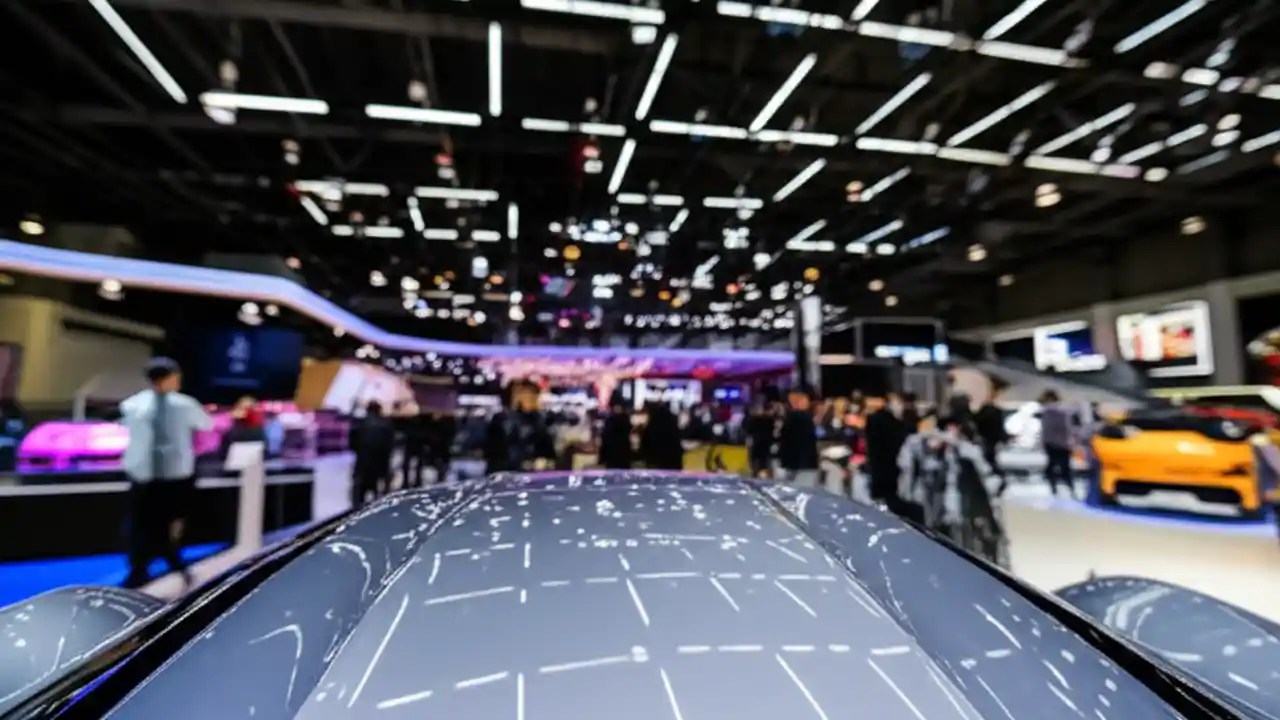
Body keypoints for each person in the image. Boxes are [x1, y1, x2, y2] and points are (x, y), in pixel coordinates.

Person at [119, 357, 213, 589]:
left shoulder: (133, 405)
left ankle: (140, 568)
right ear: (170, 377)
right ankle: (173, 561)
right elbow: (206, 426)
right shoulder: (186, 405)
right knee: (170, 522)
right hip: (175, 477)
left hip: (143, 477)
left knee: (141, 522)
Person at [897, 416, 1005, 565]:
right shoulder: (919, 444)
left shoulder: (961, 448)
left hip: (959, 505)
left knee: (961, 537)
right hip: (932, 503)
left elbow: (980, 467)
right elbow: (908, 463)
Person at [864, 393, 908, 508]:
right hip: (886, 463)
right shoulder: (887, 421)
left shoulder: (878, 420)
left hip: (883, 464)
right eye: (898, 404)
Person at [350, 401, 395, 508]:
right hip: (380, 464)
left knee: (359, 490)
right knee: (377, 489)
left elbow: (352, 443)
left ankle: (356, 508)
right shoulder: (386, 425)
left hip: (363, 462)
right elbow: (389, 446)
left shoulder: (359, 424)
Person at [776, 387, 820, 488]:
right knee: (804, 490)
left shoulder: (790, 418)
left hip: (791, 464)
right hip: (805, 464)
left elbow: (784, 440)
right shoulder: (803, 418)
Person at [1039, 390, 1077, 499]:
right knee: (1065, 469)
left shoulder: (1047, 412)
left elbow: (1046, 430)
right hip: (1063, 444)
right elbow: (1068, 428)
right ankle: (1071, 490)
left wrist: (1043, 442)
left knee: (1052, 467)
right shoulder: (1064, 411)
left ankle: (1055, 489)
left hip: (1052, 443)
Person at [973, 386, 1010, 495]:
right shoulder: (996, 412)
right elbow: (1000, 427)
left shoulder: (985, 411)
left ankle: (997, 480)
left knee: (988, 460)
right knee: (990, 460)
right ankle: (998, 479)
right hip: (991, 440)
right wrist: (1003, 438)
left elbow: (976, 421)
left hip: (985, 439)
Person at [640, 402, 683, 470]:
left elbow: (645, 444)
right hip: (673, 464)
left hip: (657, 464)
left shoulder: (652, 426)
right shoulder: (671, 422)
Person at [744, 401, 776, 478]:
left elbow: (749, 430)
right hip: (765, 444)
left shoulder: (755, 419)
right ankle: (763, 474)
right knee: (764, 462)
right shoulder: (770, 420)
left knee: (756, 460)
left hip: (757, 443)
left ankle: (755, 474)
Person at [598, 403, 634, 470]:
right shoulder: (625, 420)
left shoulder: (610, 421)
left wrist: (602, 458)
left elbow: (605, 439)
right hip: (623, 454)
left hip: (612, 454)